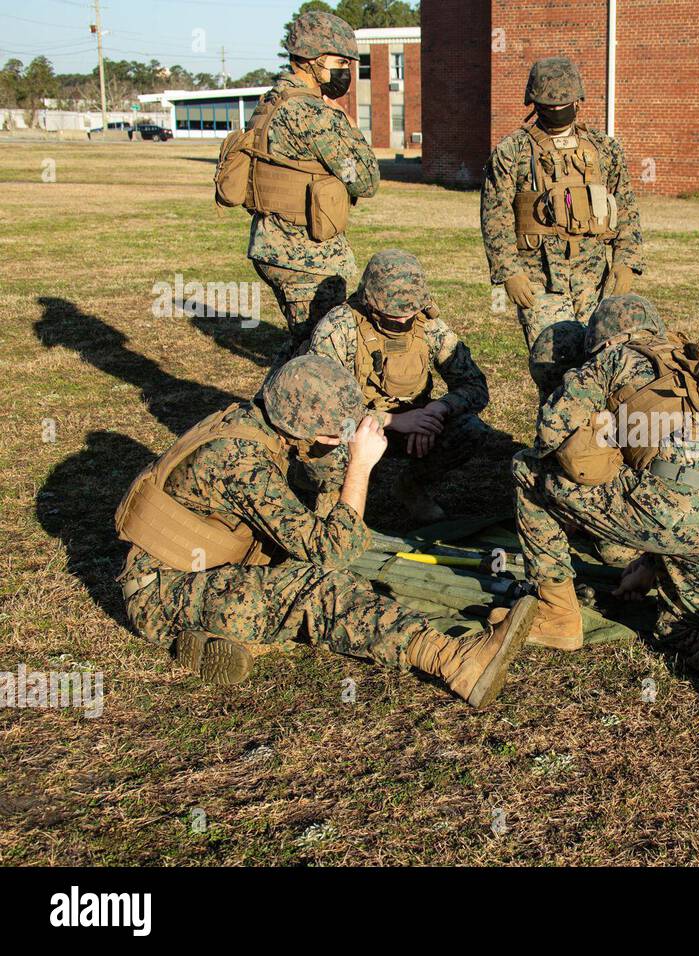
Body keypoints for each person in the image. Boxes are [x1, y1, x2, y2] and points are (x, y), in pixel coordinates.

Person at [114, 355, 534, 704]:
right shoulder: (239, 463)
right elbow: (335, 551)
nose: (340, 438)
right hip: (163, 593)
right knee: (321, 585)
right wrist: (360, 466)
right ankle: (455, 660)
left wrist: (387, 424)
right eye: (333, 432)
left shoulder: (260, 419)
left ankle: (217, 634)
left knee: (320, 502)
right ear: (300, 426)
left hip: (194, 573)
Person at [511, 294, 699, 725]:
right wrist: (651, 562)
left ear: (599, 340)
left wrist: (599, 438)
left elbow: (551, 433)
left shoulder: (611, 361)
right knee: (686, 628)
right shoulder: (698, 365)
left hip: (664, 513)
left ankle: (557, 615)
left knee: (527, 470)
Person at [480, 56, 644, 400]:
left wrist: (626, 261)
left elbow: (626, 208)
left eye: (565, 103)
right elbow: (495, 215)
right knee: (552, 366)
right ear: (535, 104)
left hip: (595, 278)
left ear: (578, 101)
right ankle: (555, 443)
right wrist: (508, 272)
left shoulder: (605, 149)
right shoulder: (511, 152)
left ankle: (595, 446)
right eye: (549, 104)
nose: (558, 110)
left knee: (602, 359)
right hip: (539, 280)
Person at [305, 248, 496, 524]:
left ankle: (411, 487)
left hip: (415, 424)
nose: (404, 320)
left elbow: (475, 386)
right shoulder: (338, 329)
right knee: (327, 443)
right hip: (353, 427)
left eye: (410, 312)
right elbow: (319, 412)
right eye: (392, 314)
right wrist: (392, 420)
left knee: (470, 430)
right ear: (369, 302)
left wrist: (437, 410)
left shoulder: (430, 328)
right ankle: (332, 504)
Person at [244, 10, 379, 360]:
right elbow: (365, 179)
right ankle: (262, 414)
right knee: (320, 358)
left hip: (274, 245)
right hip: (305, 256)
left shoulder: (271, 101)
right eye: (340, 62)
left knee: (303, 346)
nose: (346, 71)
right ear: (314, 61)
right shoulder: (312, 113)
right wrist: (349, 126)